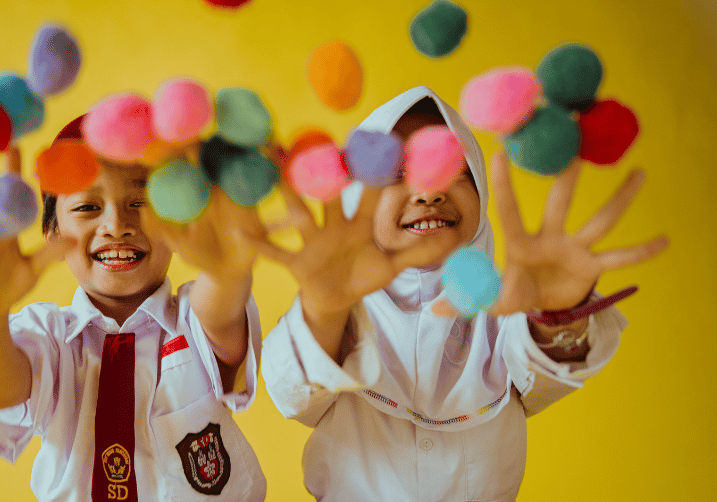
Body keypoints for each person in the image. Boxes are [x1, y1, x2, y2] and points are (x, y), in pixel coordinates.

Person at [259, 87, 668, 501]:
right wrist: (324, 313)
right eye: (398, 173)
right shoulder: (338, 308)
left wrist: (559, 311)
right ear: (357, 198)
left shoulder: (510, 301)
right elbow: (289, 390)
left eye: (450, 169)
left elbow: (545, 375)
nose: (428, 192)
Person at [0, 116, 268, 501]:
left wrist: (227, 274)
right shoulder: (50, 336)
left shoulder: (194, 317)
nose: (116, 224)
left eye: (140, 202)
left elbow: (221, 313)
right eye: (88, 206)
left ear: (179, 218)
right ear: (52, 232)